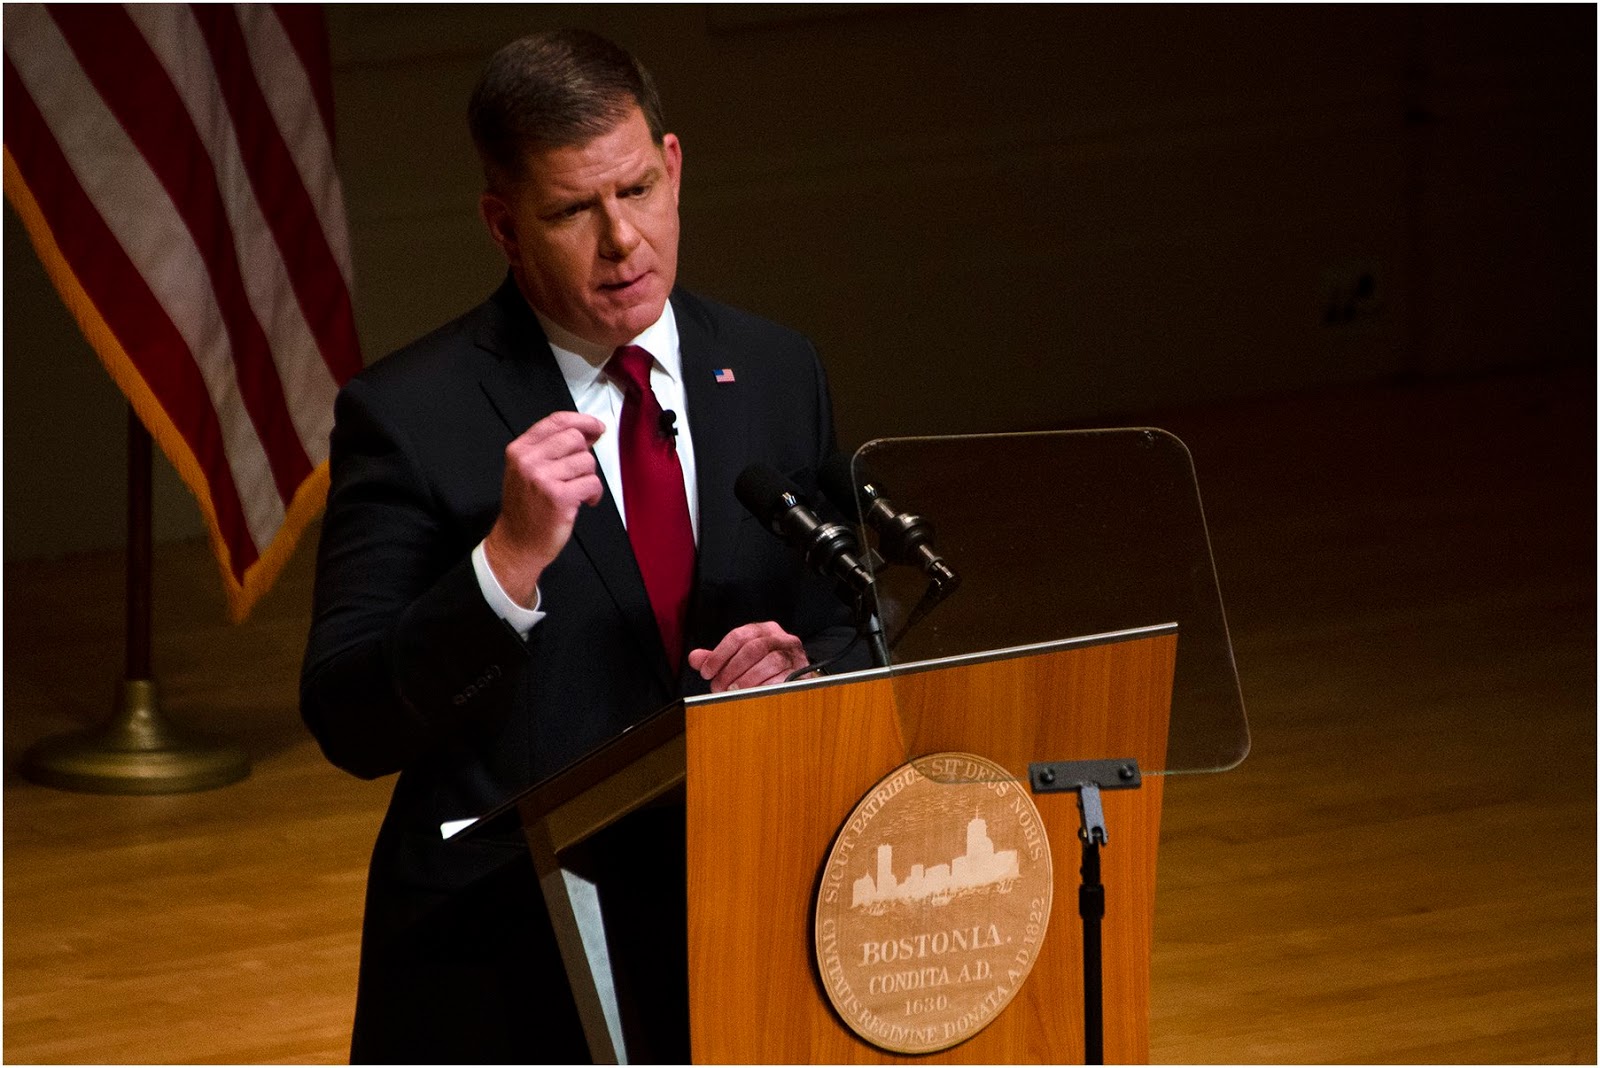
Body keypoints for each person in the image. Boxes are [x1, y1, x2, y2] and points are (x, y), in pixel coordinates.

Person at [299, 29, 859, 1064]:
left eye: (638, 190)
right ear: (503, 226)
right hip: (514, 957)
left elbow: (856, 614)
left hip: (757, 921)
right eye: (571, 211)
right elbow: (349, 718)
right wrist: (503, 566)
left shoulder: (778, 370)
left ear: (675, 167)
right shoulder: (409, 414)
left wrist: (805, 664)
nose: (622, 242)